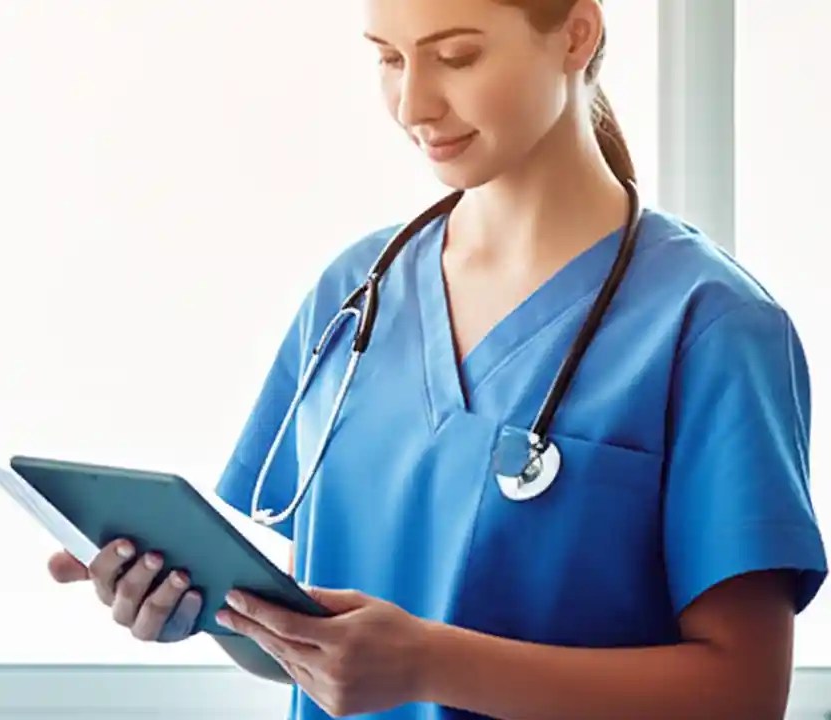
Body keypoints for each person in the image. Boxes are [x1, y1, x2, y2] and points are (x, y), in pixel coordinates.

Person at [47, 0, 828, 717]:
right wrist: (203, 605)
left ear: (577, 34)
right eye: (389, 59)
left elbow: (741, 695)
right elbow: (320, 649)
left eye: (455, 56)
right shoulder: (355, 294)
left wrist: (431, 666)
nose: (414, 105)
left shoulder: (713, 327)